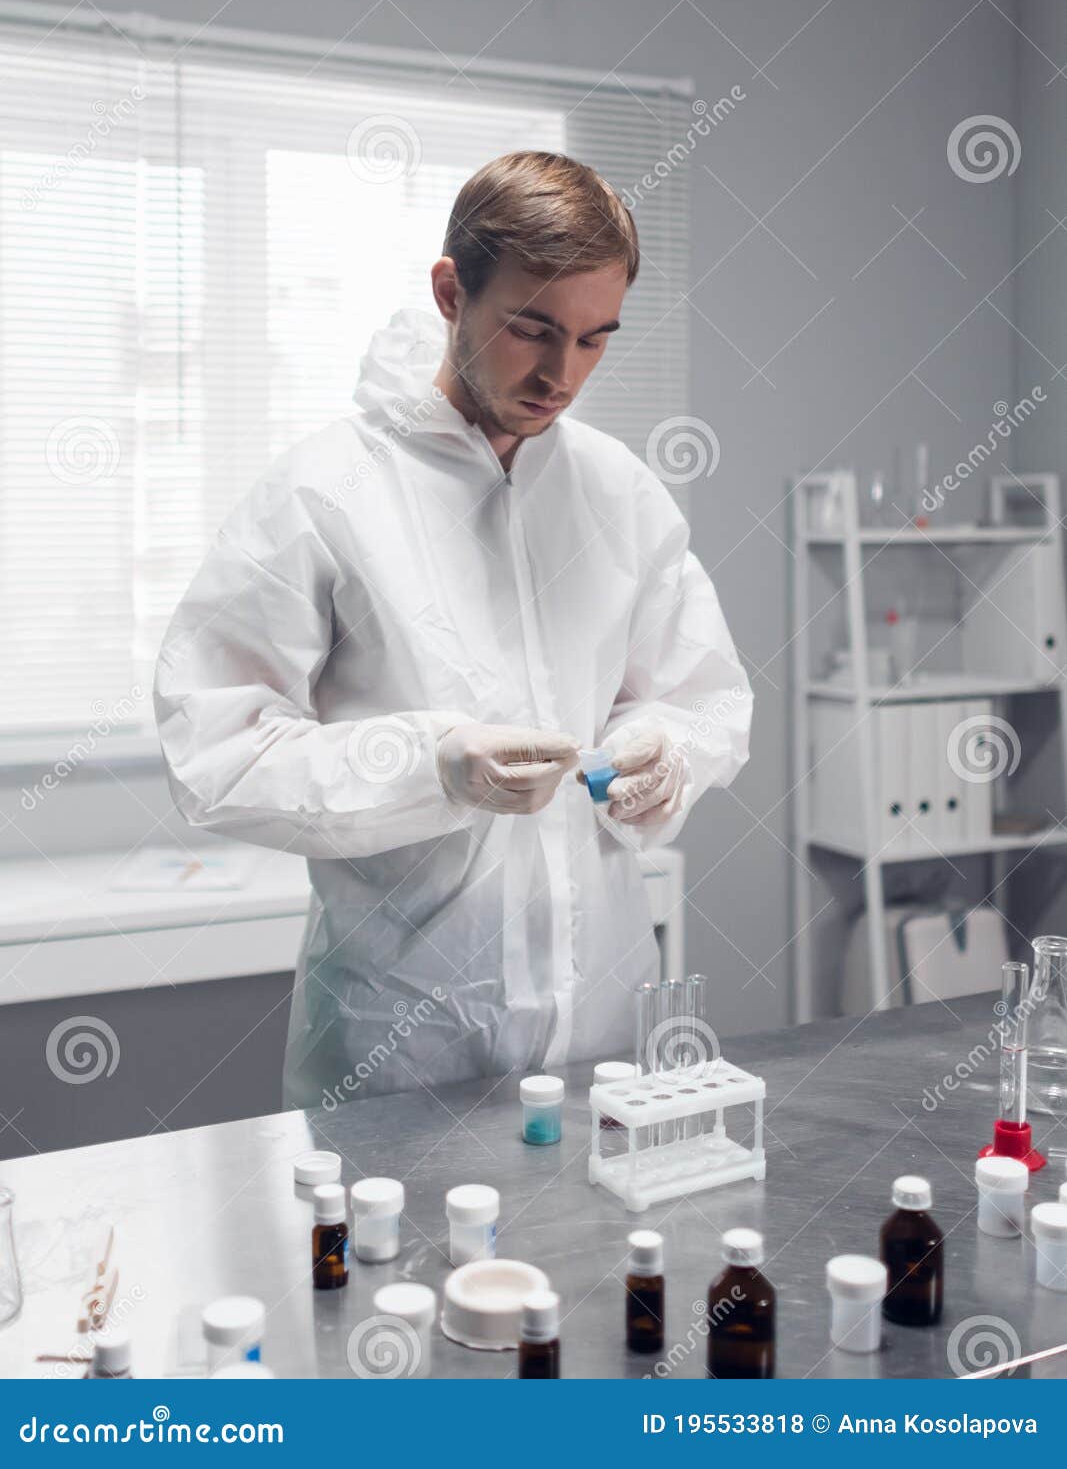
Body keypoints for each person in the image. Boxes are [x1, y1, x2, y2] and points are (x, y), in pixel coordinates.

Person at [154, 150, 752, 1109]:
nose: (562, 374)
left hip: (597, 1039)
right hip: (398, 1050)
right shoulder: (324, 491)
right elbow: (213, 748)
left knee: (599, 1259)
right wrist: (426, 762)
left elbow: (703, 695)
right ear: (450, 290)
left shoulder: (618, 494)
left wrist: (664, 751)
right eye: (533, 329)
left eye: (596, 339)